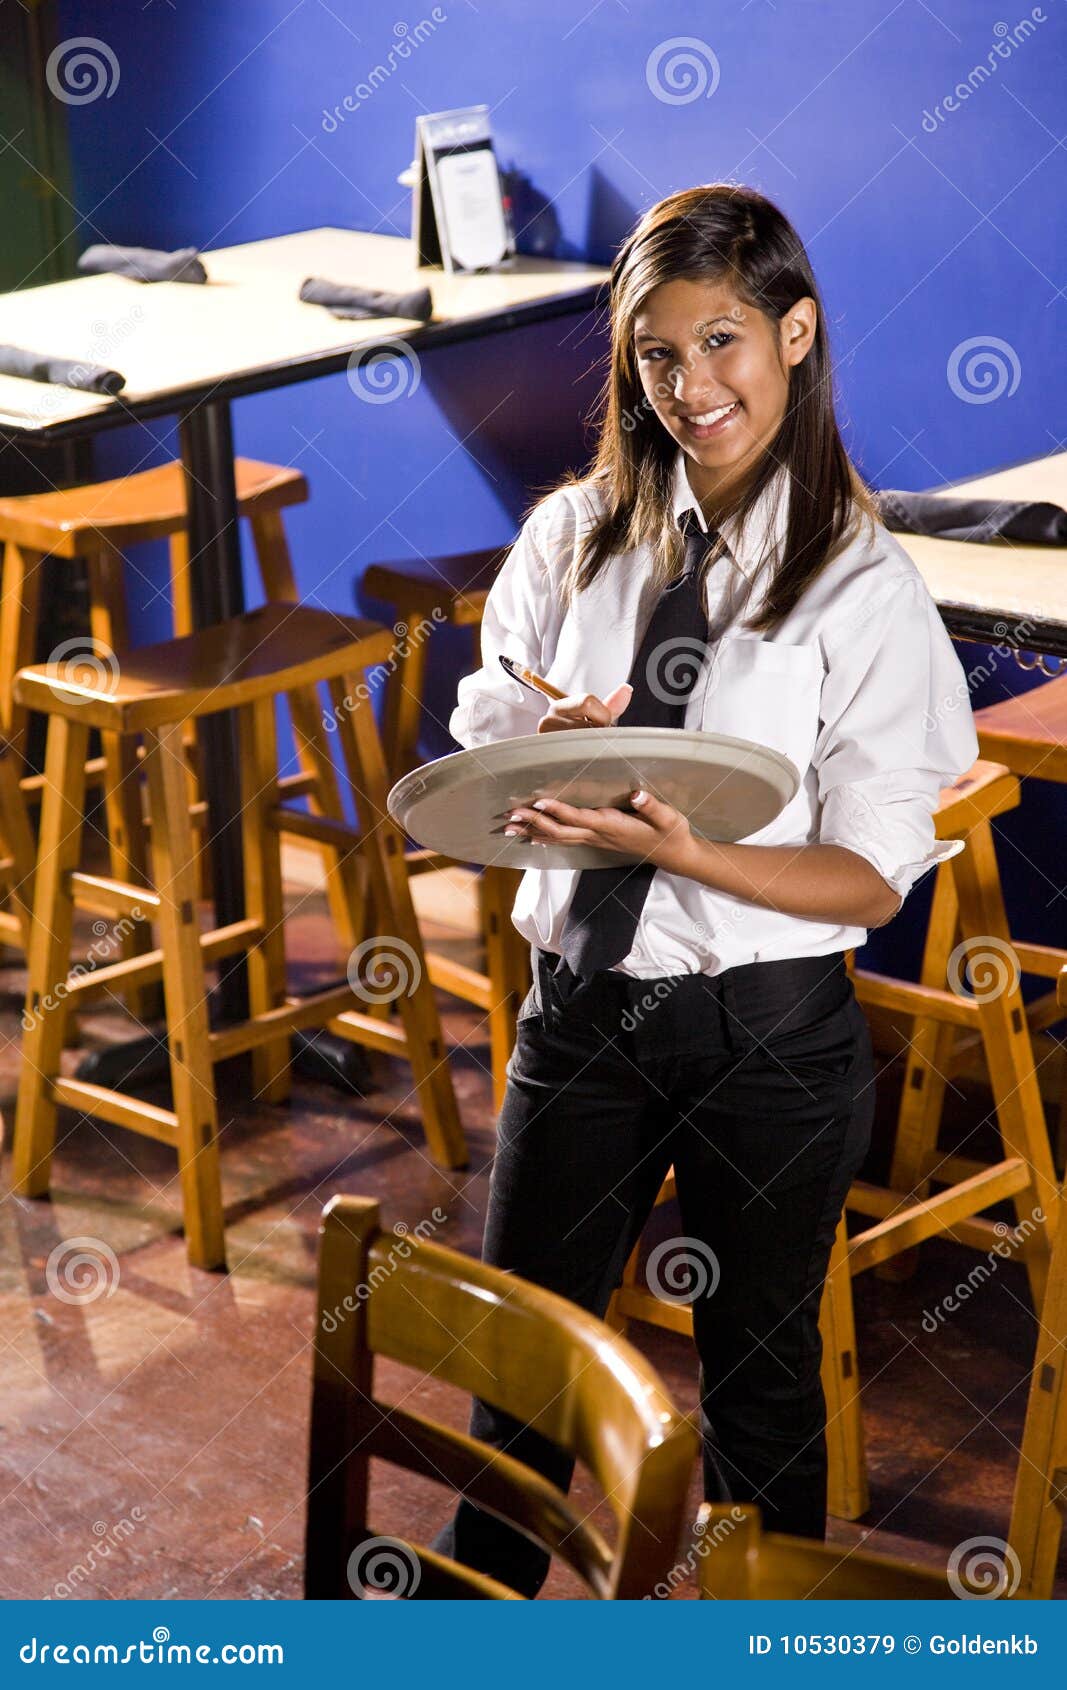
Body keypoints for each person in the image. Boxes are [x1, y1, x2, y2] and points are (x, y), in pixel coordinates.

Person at [434, 182, 979, 1597]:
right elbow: (486, 711)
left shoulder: (859, 587)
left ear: (796, 335)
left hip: (769, 1043)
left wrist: (691, 853)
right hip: (579, 1020)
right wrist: (541, 737)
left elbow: (866, 877)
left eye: (724, 341)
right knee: (524, 1385)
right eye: (658, 356)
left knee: (760, 1400)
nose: (691, 387)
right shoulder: (574, 536)